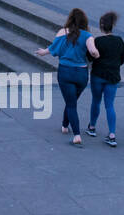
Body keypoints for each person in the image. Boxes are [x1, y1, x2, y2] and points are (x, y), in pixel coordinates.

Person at [36, 8, 92, 147]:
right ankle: (65, 125)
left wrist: (43, 52)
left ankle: (77, 135)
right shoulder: (88, 35)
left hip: (65, 72)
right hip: (81, 74)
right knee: (72, 101)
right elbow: (93, 51)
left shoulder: (63, 32)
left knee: (71, 103)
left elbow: (54, 47)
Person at [85, 10, 124, 147]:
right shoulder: (119, 41)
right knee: (110, 105)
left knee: (96, 101)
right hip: (113, 77)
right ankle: (112, 134)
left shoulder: (98, 41)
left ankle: (92, 127)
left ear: (101, 26)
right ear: (112, 26)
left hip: (98, 75)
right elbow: (122, 60)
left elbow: (90, 58)